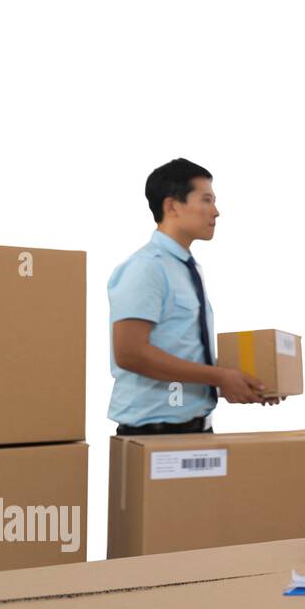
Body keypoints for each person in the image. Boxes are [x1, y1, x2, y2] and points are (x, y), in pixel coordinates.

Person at [108, 159, 271, 436]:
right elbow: (130, 353)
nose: (216, 212)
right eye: (206, 200)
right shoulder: (146, 267)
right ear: (172, 206)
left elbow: (183, 349)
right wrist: (219, 376)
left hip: (195, 429)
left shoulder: (186, 268)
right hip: (153, 433)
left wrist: (243, 382)